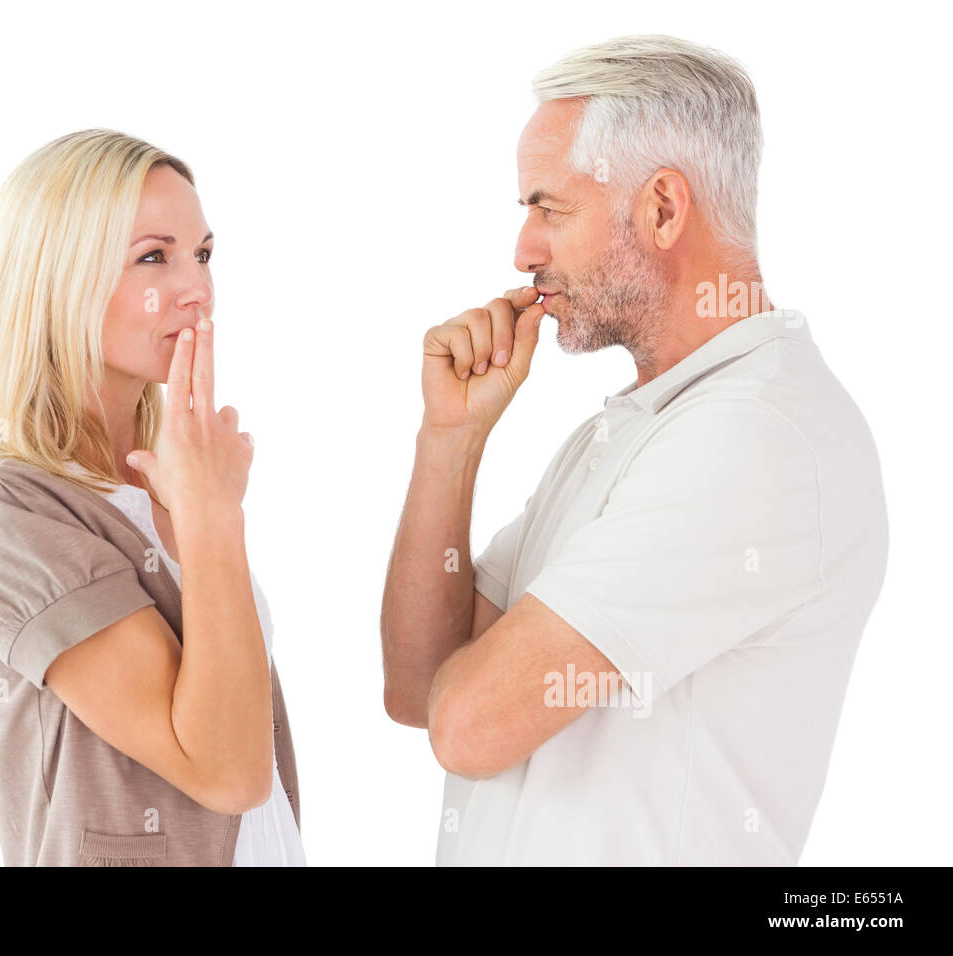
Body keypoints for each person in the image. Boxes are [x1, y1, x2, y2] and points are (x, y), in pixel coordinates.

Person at [380, 34, 888, 865]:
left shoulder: (755, 438)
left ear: (661, 208)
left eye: (549, 207)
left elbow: (468, 725)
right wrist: (451, 440)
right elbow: (417, 687)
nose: (523, 250)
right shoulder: (635, 430)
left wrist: (466, 690)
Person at [0, 129, 305, 866]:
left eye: (202, 254)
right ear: (56, 275)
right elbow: (229, 771)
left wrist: (199, 505)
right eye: (152, 257)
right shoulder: (1, 511)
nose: (198, 288)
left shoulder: (168, 480)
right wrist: (212, 515)